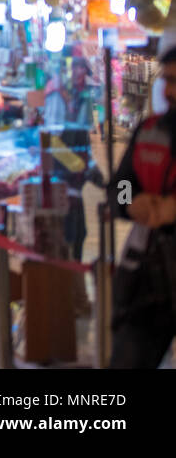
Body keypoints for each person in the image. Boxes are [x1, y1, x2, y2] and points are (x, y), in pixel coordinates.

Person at [109, 46, 176, 367]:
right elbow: (120, 184)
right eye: (167, 81)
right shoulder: (149, 130)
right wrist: (130, 202)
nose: (170, 91)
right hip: (147, 276)